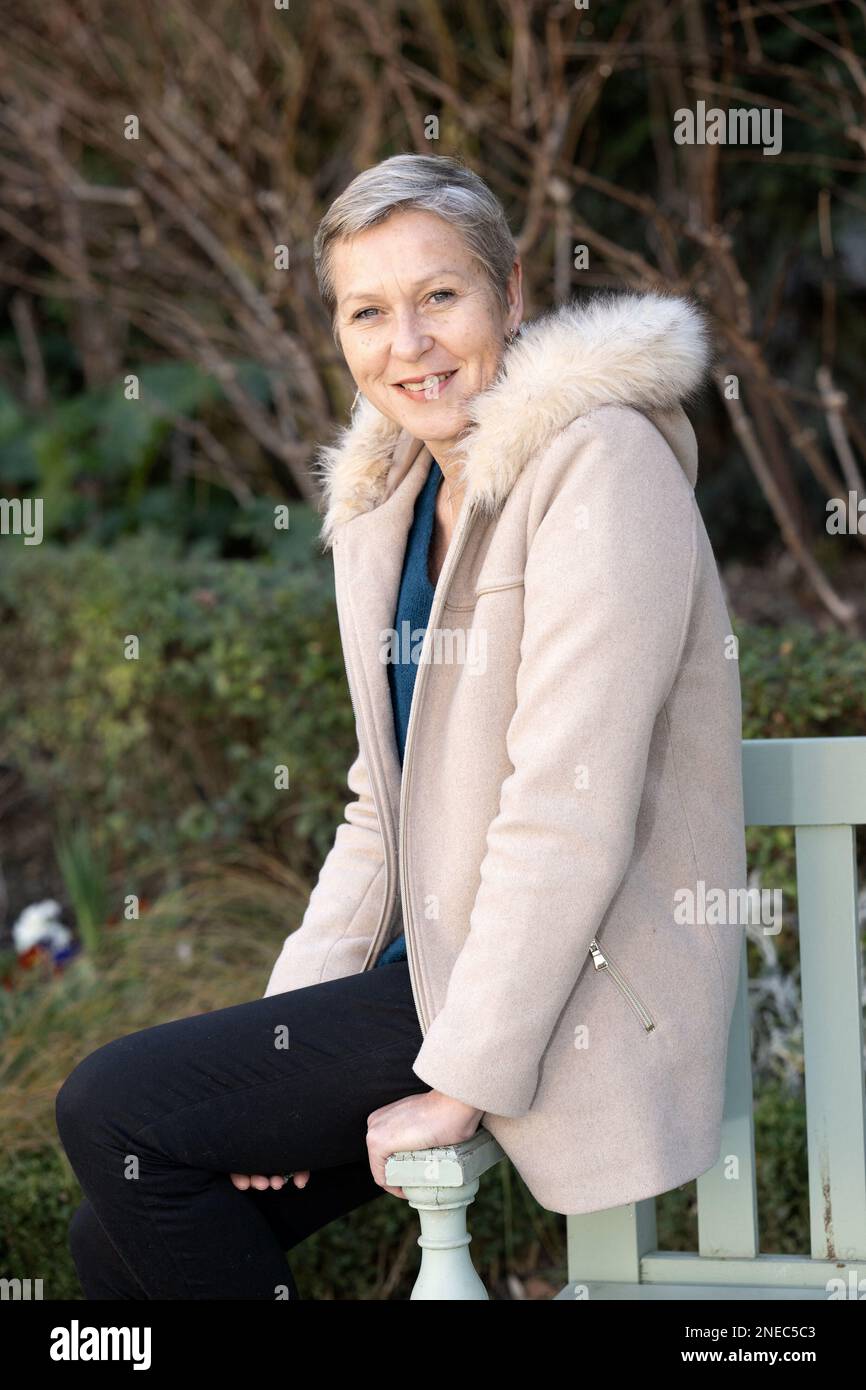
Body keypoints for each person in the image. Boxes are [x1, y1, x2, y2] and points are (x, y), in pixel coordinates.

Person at [56, 152, 747, 1299]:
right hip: (424, 976)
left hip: (567, 981)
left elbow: (565, 809)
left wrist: (462, 1080)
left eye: (440, 298)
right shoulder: (393, 505)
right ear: (338, 334)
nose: (408, 345)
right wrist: (274, 1063)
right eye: (368, 312)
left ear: (510, 295)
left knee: (112, 1106)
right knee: (112, 1233)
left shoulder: (599, 466)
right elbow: (380, 808)